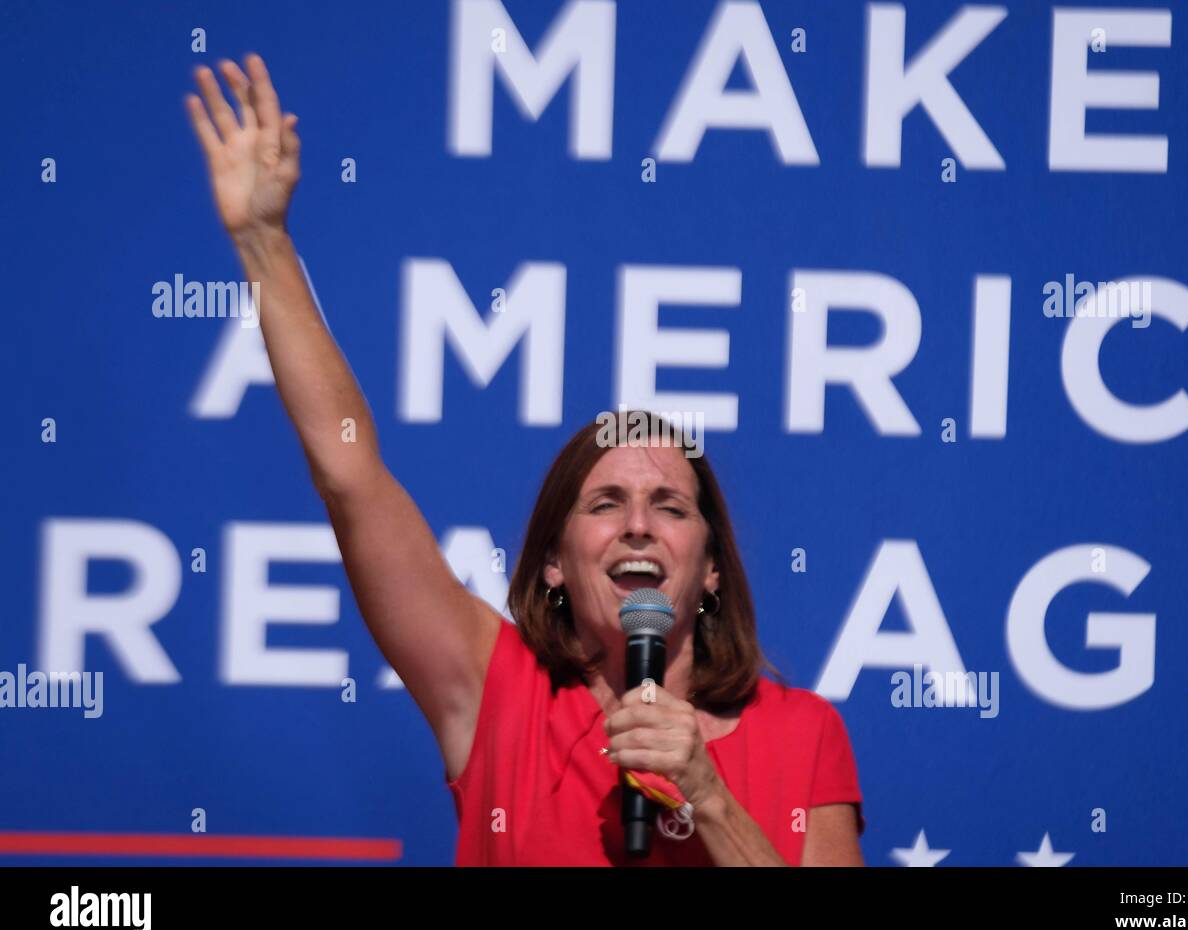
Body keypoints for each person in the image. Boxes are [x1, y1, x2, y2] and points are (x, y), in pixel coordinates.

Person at [184, 54, 865, 866]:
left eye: (672, 508)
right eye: (606, 503)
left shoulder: (803, 730)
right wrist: (264, 242)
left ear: (712, 568)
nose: (639, 526)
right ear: (551, 562)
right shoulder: (496, 694)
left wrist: (708, 796)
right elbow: (349, 477)